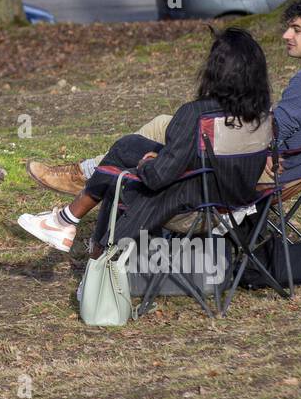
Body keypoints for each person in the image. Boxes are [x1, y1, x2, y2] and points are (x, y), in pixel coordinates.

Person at [19, 0, 301, 252]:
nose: (286, 35)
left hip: (263, 173)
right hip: (297, 169)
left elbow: (273, 131)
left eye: (297, 30)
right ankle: (88, 176)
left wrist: (266, 149)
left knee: (166, 132)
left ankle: (90, 179)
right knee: (165, 124)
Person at [18, 27, 272, 254]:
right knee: (127, 146)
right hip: (236, 207)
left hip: (194, 210)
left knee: (118, 172)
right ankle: (67, 222)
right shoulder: (264, 116)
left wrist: (147, 164)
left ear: (215, 71)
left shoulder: (197, 114)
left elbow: (157, 178)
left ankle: (71, 228)